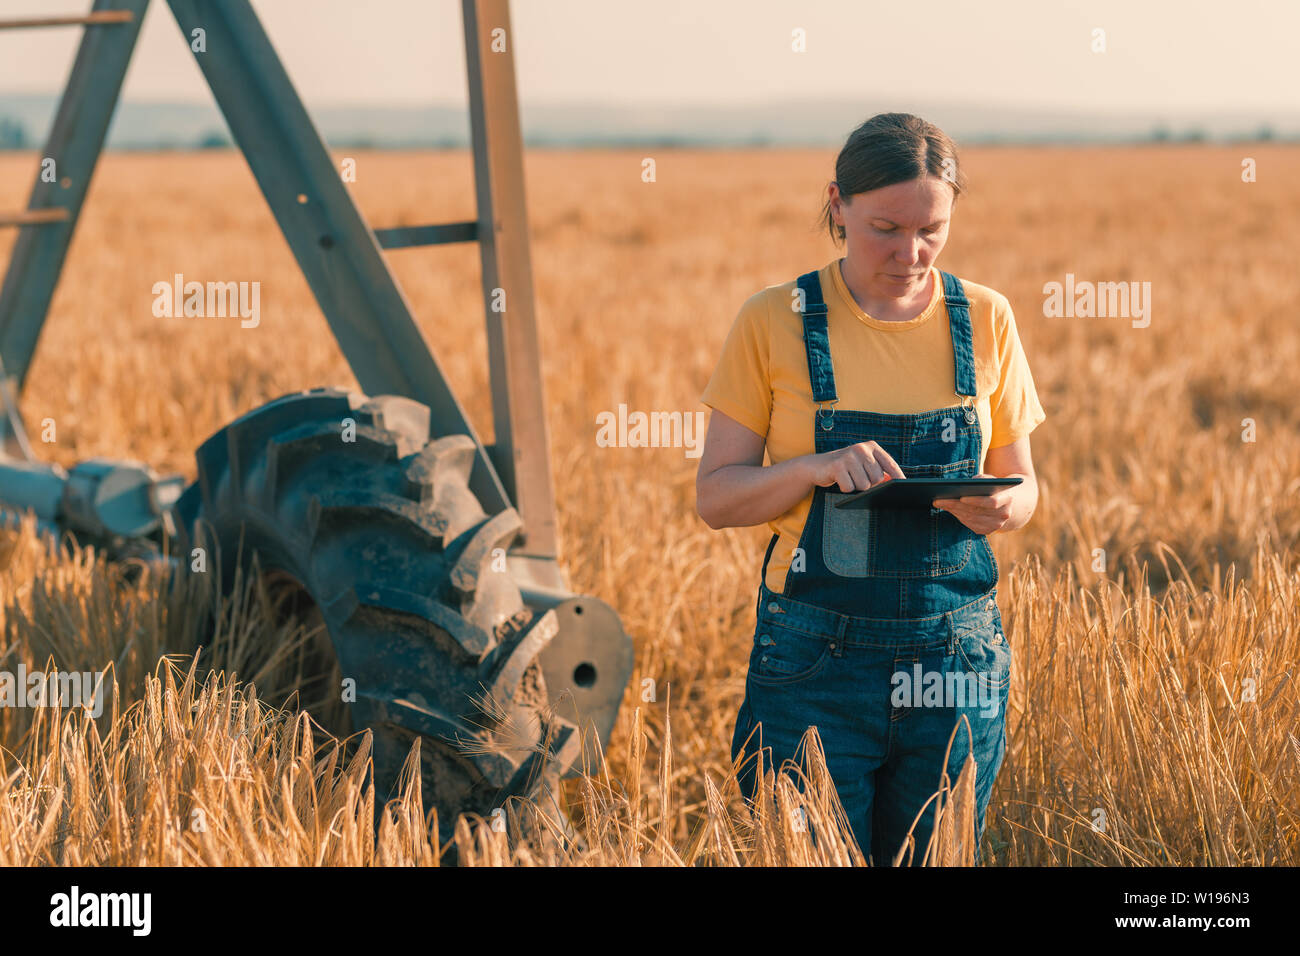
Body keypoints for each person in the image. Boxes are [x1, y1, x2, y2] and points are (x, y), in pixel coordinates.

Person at [696, 112, 1047, 865]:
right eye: (886, 227)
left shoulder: (986, 318)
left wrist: (1000, 506)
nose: (910, 253)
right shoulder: (773, 321)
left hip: (956, 660)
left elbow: (1025, 491)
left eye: (932, 230)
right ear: (837, 204)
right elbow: (717, 499)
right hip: (814, 666)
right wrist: (811, 470)